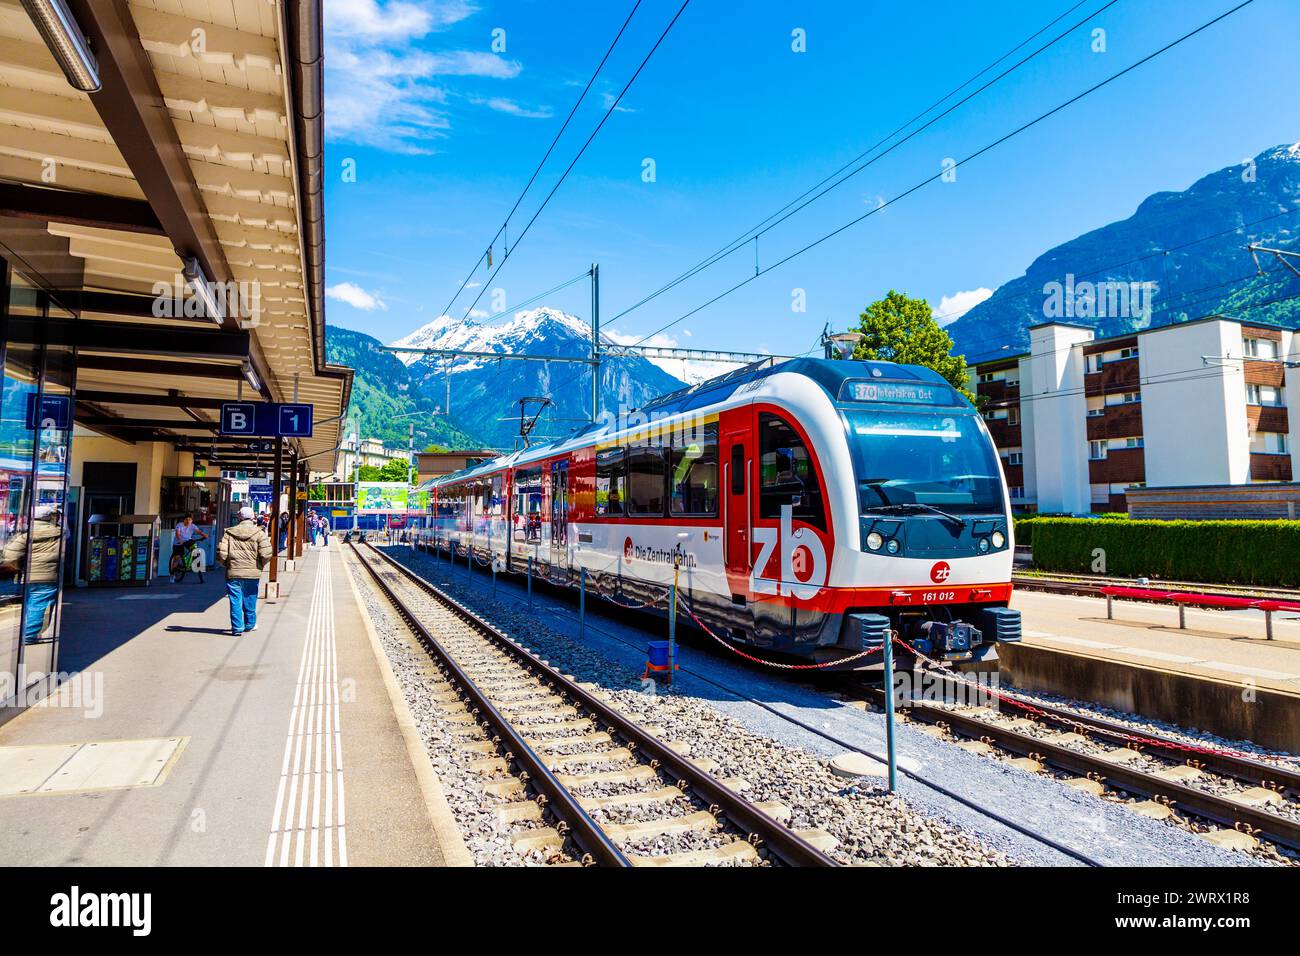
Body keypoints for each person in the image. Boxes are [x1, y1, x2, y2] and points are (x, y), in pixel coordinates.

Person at [0, 504, 66, 644]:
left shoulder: (26, 533)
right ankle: (29, 635)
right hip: (49, 575)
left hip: (29, 575)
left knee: (31, 603)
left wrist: (19, 567)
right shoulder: (60, 533)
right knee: (41, 605)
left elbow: (11, 555)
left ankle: (29, 632)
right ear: (50, 517)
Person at [216, 506, 272, 637]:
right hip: (253, 572)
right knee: (250, 598)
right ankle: (250, 624)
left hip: (233, 572)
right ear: (253, 517)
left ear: (239, 517)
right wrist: (259, 565)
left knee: (235, 599)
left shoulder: (229, 533)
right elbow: (266, 553)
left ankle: (237, 628)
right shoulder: (259, 533)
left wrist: (228, 565)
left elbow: (222, 554)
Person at [171, 512, 209, 582]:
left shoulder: (192, 526)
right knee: (176, 558)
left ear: (192, 520)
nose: (188, 521)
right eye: (187, 519)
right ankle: (172, 575)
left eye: (190, 519)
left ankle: (194, 562)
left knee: (195, 548)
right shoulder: (179, 525)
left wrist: (204, 535)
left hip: (188, 541)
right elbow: (177, 534)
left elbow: (198, 531)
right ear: (184, 520)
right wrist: (180, 540)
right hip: (178, 543)